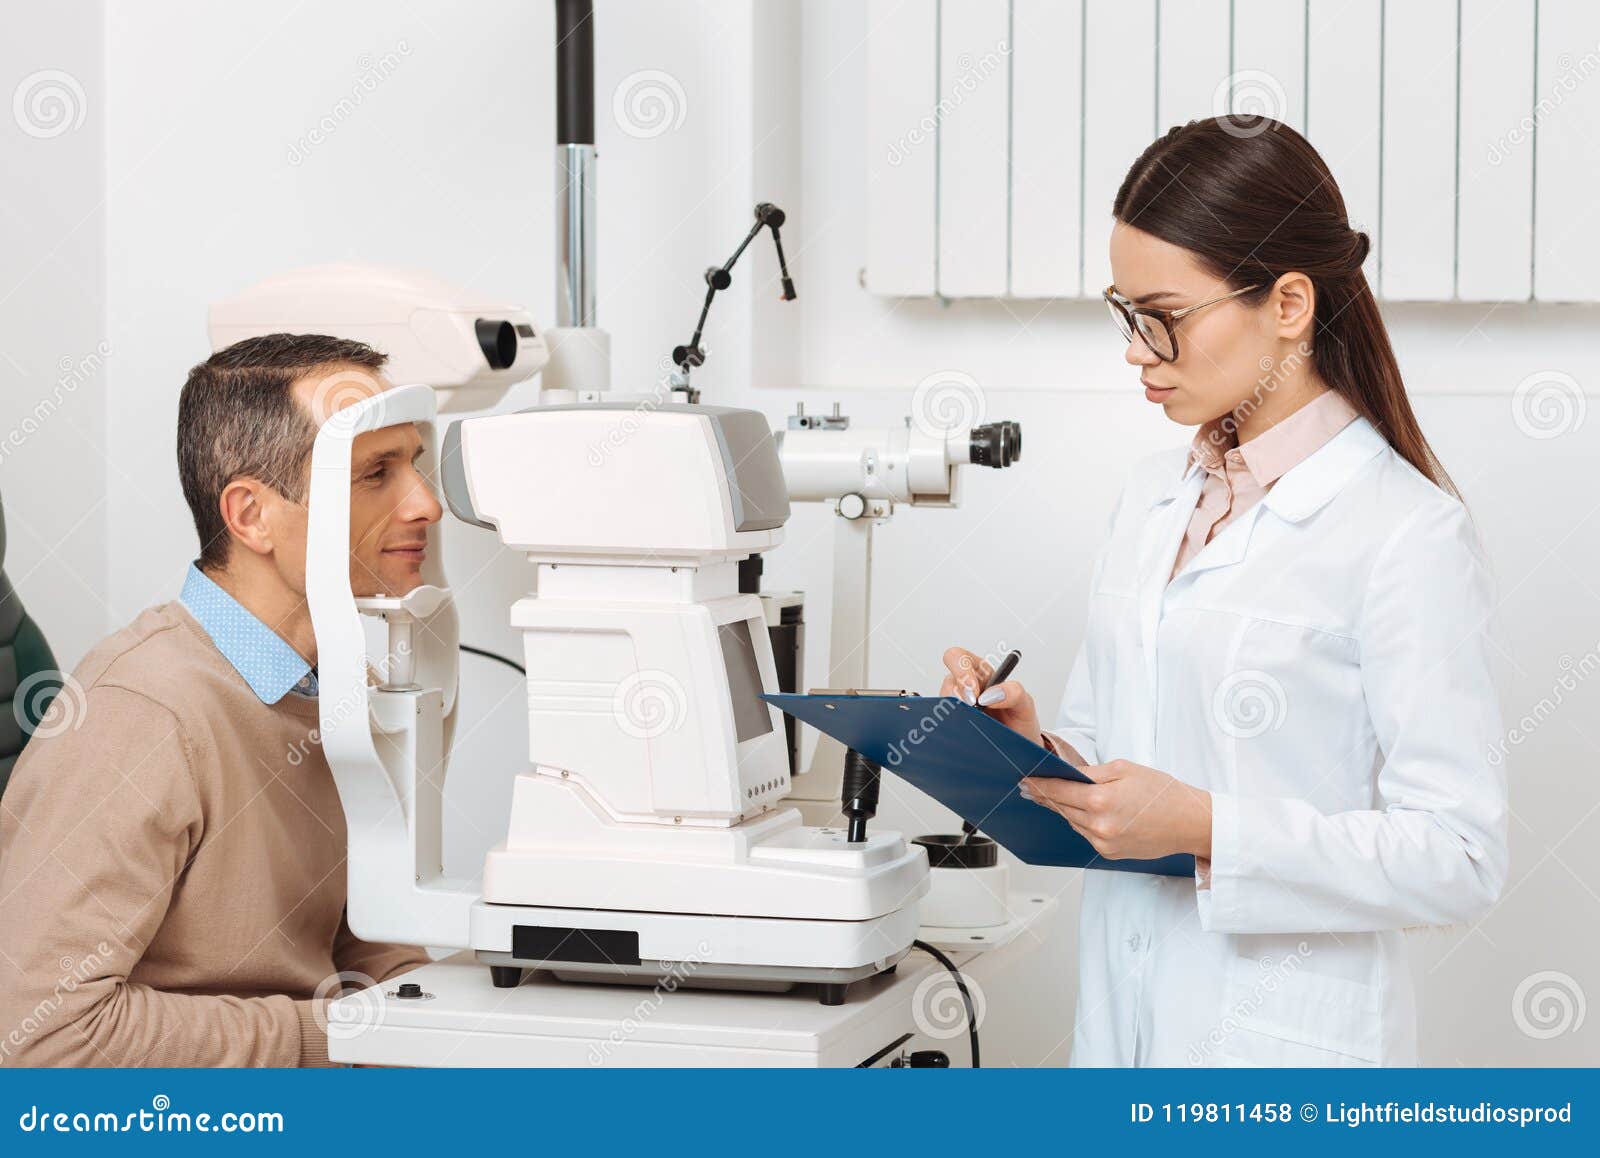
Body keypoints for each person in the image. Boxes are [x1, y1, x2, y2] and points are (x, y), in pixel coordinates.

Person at [942, 117, 1507, 1066]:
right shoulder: (1151, 501)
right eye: (1125, 313)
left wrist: (1210, 828)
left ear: (1288, 303)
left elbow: (1459, 856)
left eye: (1163, 314)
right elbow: (1120, 770)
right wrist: (1031, 746)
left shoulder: (1406, 534)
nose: (1136, 349)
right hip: (1122, 1033)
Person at [0, 334, 440, 1066]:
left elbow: (367, 936)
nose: (425, 504)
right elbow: (39, 1036)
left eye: (414, 467)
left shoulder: (337, 686)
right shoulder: (143, 715)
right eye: (375, 474)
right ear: (251, 515)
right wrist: (328, 1036)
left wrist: (450, 1029)